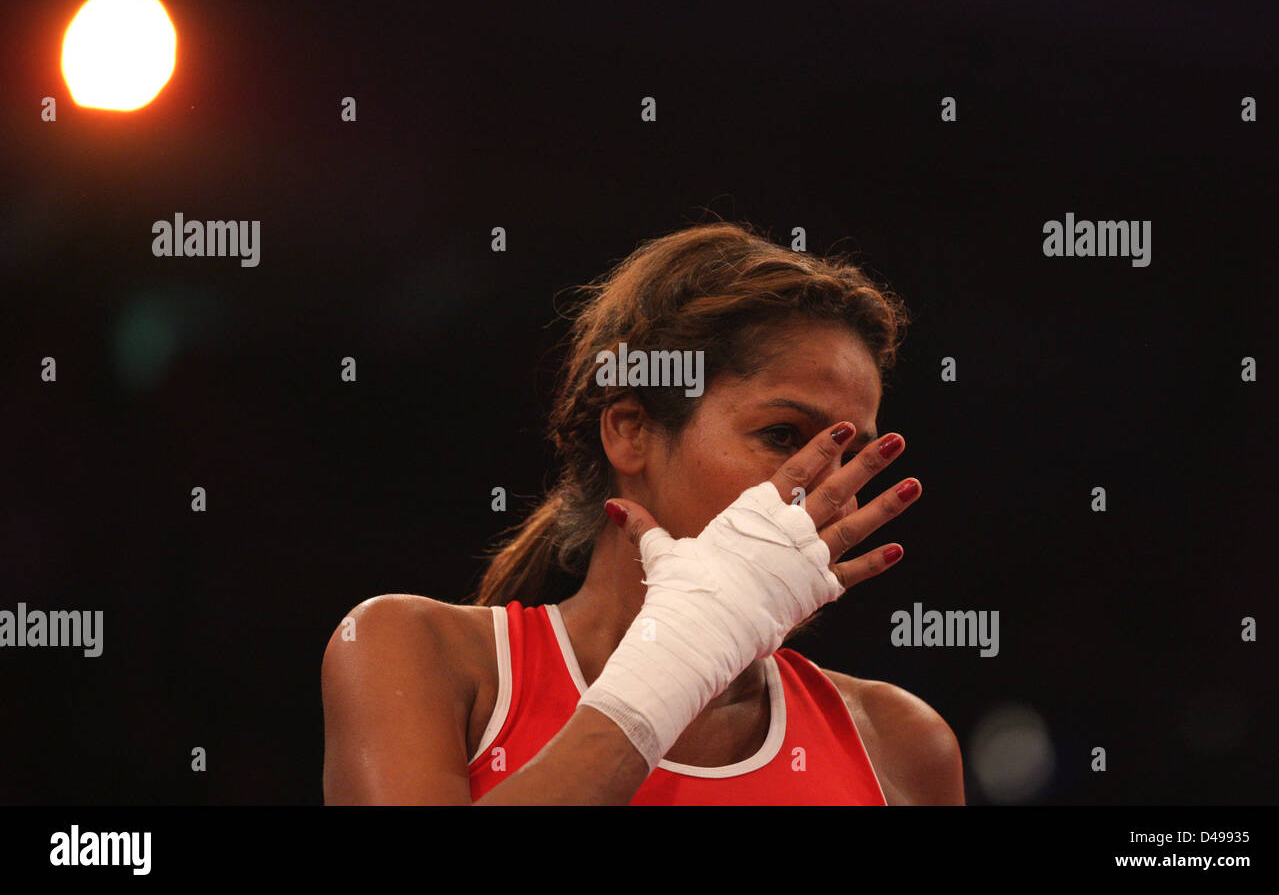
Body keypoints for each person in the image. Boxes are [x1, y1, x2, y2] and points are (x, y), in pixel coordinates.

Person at [321, 220, 964, 804]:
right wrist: (681, 656)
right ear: (631, 430)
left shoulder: (901, 743)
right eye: (784, 435)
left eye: (850, 453)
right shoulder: (414, 651)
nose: (828, 491)